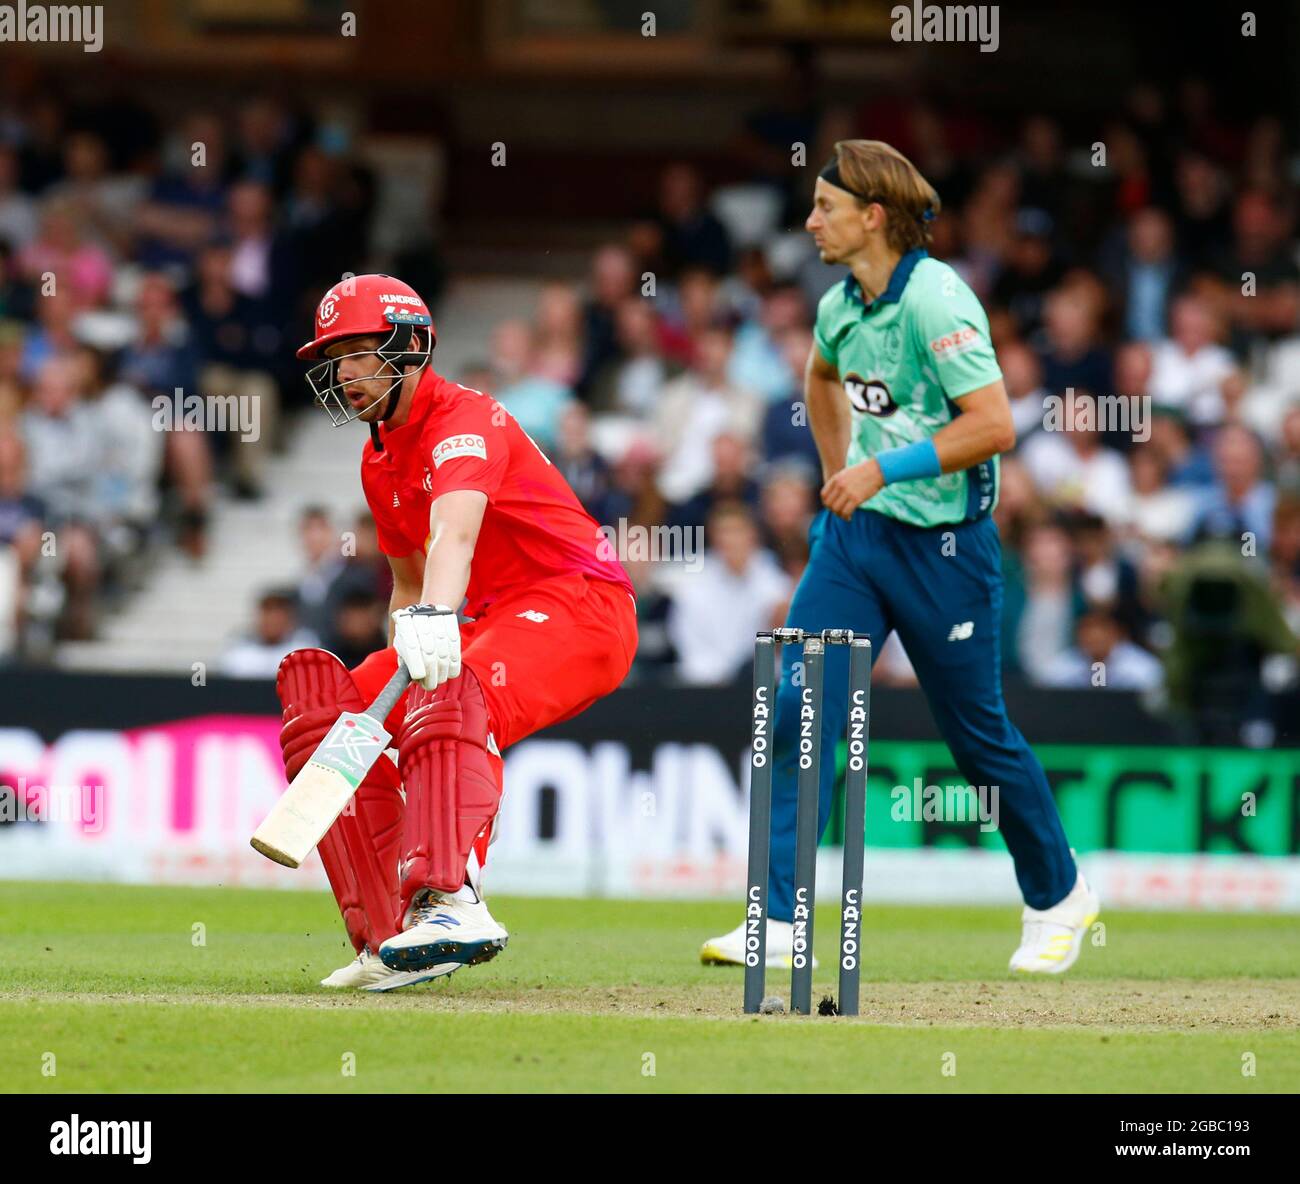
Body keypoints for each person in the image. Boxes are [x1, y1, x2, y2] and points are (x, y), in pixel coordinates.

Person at [700, 141, 1100, 977]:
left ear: (873, 216)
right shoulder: (839, 307)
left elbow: (994, 425)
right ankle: (776, 915)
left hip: (946, 550)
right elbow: (819, 380)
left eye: (824, 208)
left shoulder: (937, 298)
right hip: (857, 544)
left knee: (976, 738)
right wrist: (836, 474)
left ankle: (1060, 897)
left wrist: (880, 466)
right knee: (797, 712)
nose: (809, 223)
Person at [281, 273, 637, 991]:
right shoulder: (377, 459)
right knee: (335, 708)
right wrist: (395, 673)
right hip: (486, 620)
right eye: (335, 358)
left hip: (581, 607)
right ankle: (389, 935)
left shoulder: (464, 420)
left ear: (411, 345)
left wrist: (433, 627)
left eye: (359, 352)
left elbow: (453, 536)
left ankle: (454, 900)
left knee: (454, 679)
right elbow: (408, 586)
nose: (343, 373)